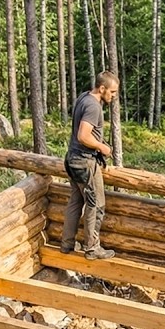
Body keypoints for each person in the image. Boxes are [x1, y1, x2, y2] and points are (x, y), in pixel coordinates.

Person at [61, 71, 119, 260]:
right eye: (112, 92)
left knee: (76, 201)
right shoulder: (93, 106)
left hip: (72, 159)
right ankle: (92, 248)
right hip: (85, 162)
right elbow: (83, 136)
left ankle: (67, 244)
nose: (114, 96)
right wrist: (103, 147)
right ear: (102, 88)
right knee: (97, 205)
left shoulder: (83, 98)